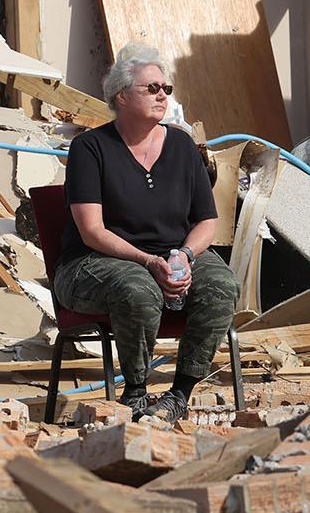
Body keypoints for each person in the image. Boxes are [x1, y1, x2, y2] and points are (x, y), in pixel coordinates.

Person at [54, 42, 239, 423]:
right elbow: (91, 231)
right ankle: (135, 392)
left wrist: (184, 256)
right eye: (151, 88)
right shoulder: (91, 148)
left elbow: (207, 221)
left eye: (166, 89)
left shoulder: (183, 147)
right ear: (121, 95)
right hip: (93, 264)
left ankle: (179, 395)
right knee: (137, 287)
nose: (161, 96)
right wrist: (147, 260)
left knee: (221, 284)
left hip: (170, 257)